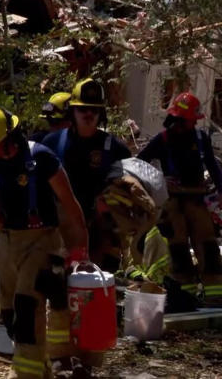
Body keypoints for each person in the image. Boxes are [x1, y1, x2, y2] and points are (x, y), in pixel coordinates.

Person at [0, 106, 88, 379]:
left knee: (27, 307)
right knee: (12, 316)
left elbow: (71, 206)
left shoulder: (40, 158)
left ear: (9, 137)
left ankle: (25, 374)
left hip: (42, 241)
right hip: (8, 243)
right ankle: (43, 368)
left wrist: (80, 250)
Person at [137, 92, 222, 306]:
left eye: (193, 122)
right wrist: (160, 180)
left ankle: (215, 297)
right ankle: (187, 298)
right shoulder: (163, 140)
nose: (190, 126)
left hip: (197, 201)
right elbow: (139, 164)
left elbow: (213, 167)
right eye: (188, 121)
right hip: (172, 203)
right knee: (179, 250)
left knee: (208, 247)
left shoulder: (201, 138)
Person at [42, 78, 131, 272]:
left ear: (102, 114)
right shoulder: (51, 144)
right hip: (61, 231)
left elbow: (129, 186)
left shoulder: (115, 148)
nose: (89, 114)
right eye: (83, 109)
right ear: (72, 112)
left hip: (99, 230)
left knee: (93, 283)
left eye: (95, 109)